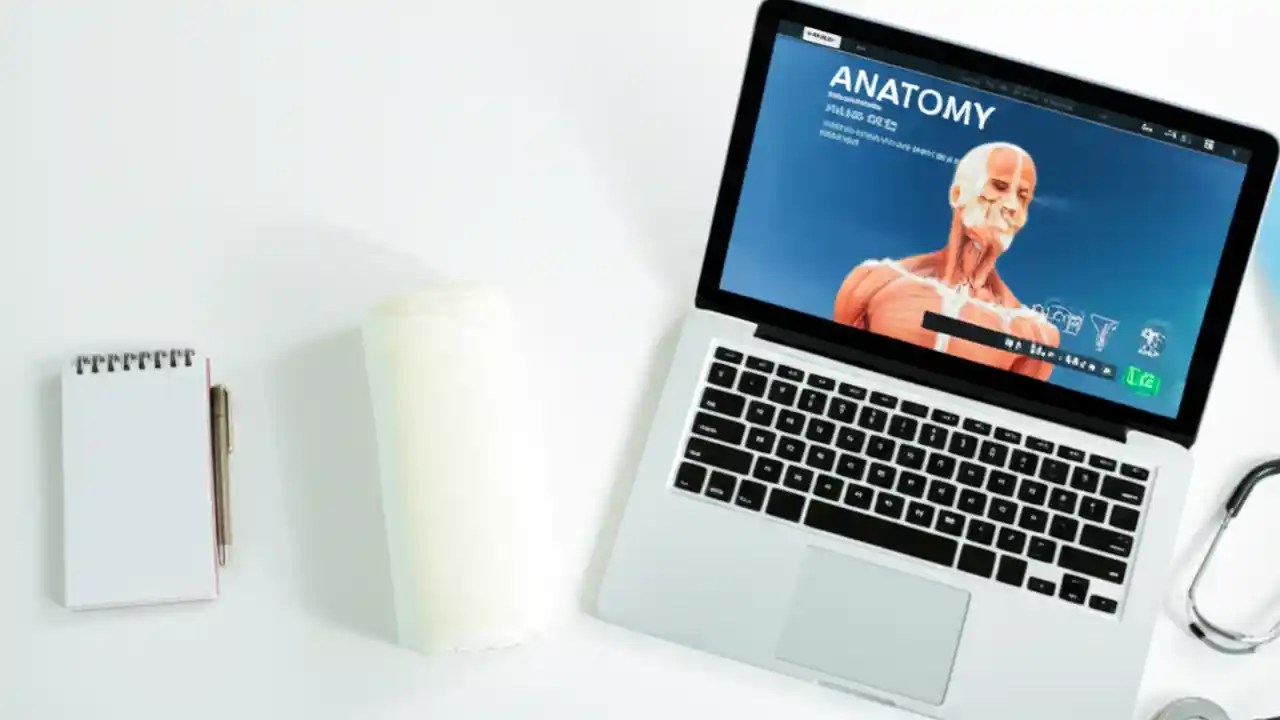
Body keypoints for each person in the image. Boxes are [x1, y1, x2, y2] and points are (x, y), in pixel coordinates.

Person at [833, 141, 1059, 379]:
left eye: (1023, 197)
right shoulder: (872, 282)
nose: (1012, 206)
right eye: (999, 186)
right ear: (957, 194)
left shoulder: (1034, 335)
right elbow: (836, 369)